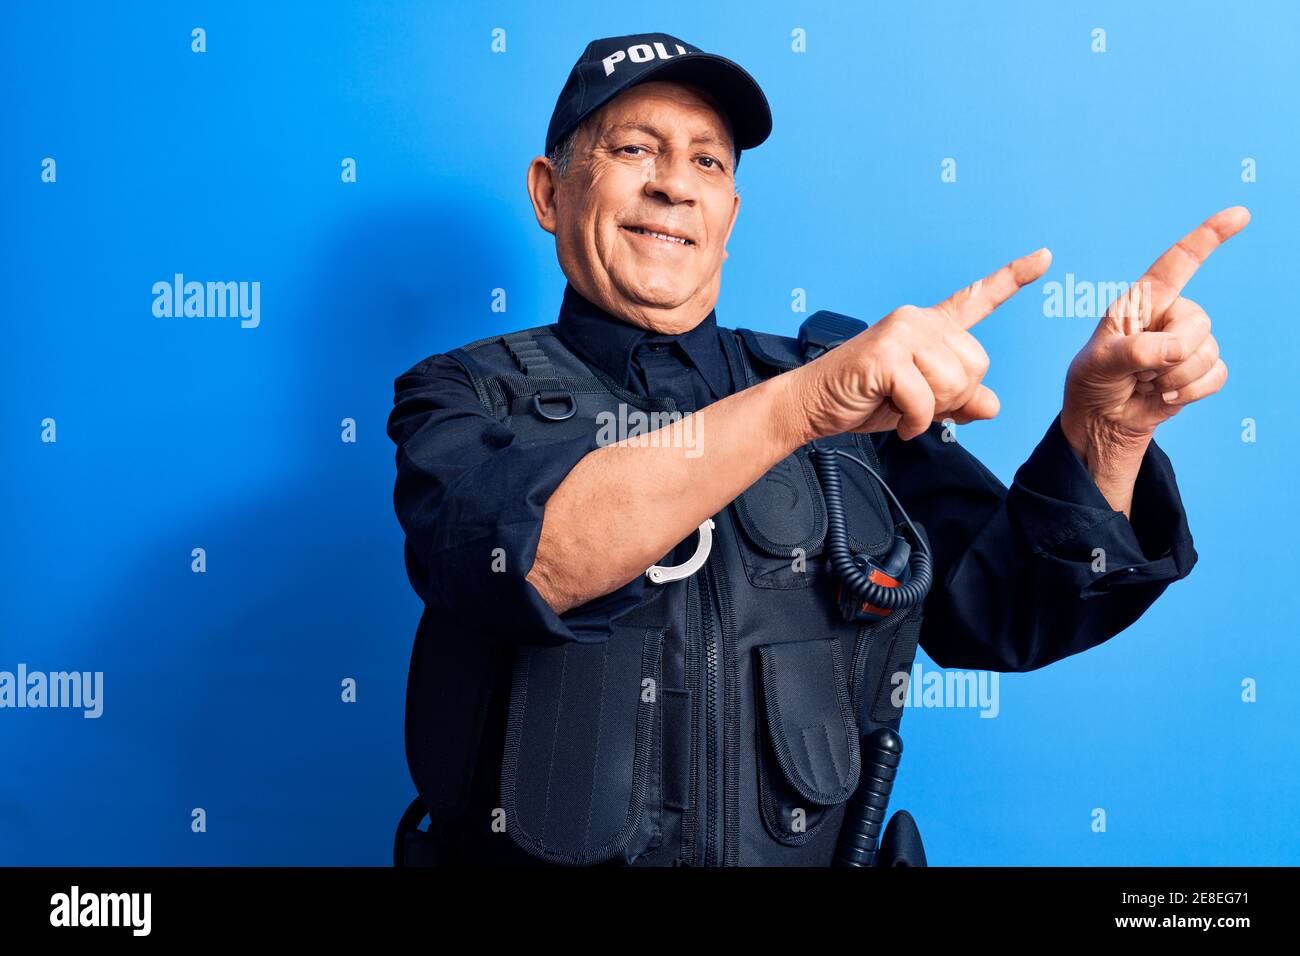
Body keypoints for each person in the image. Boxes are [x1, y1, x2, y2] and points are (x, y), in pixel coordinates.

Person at [386, 32, 1247, 867]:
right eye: (634, 150)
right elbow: (530, 560)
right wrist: (801, 407)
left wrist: (1109, 431)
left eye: (707, 162)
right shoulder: (461, 393)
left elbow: (1005, 609)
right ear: (549, 192)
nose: (674, 187)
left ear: (730, 214)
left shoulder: (844, 389)